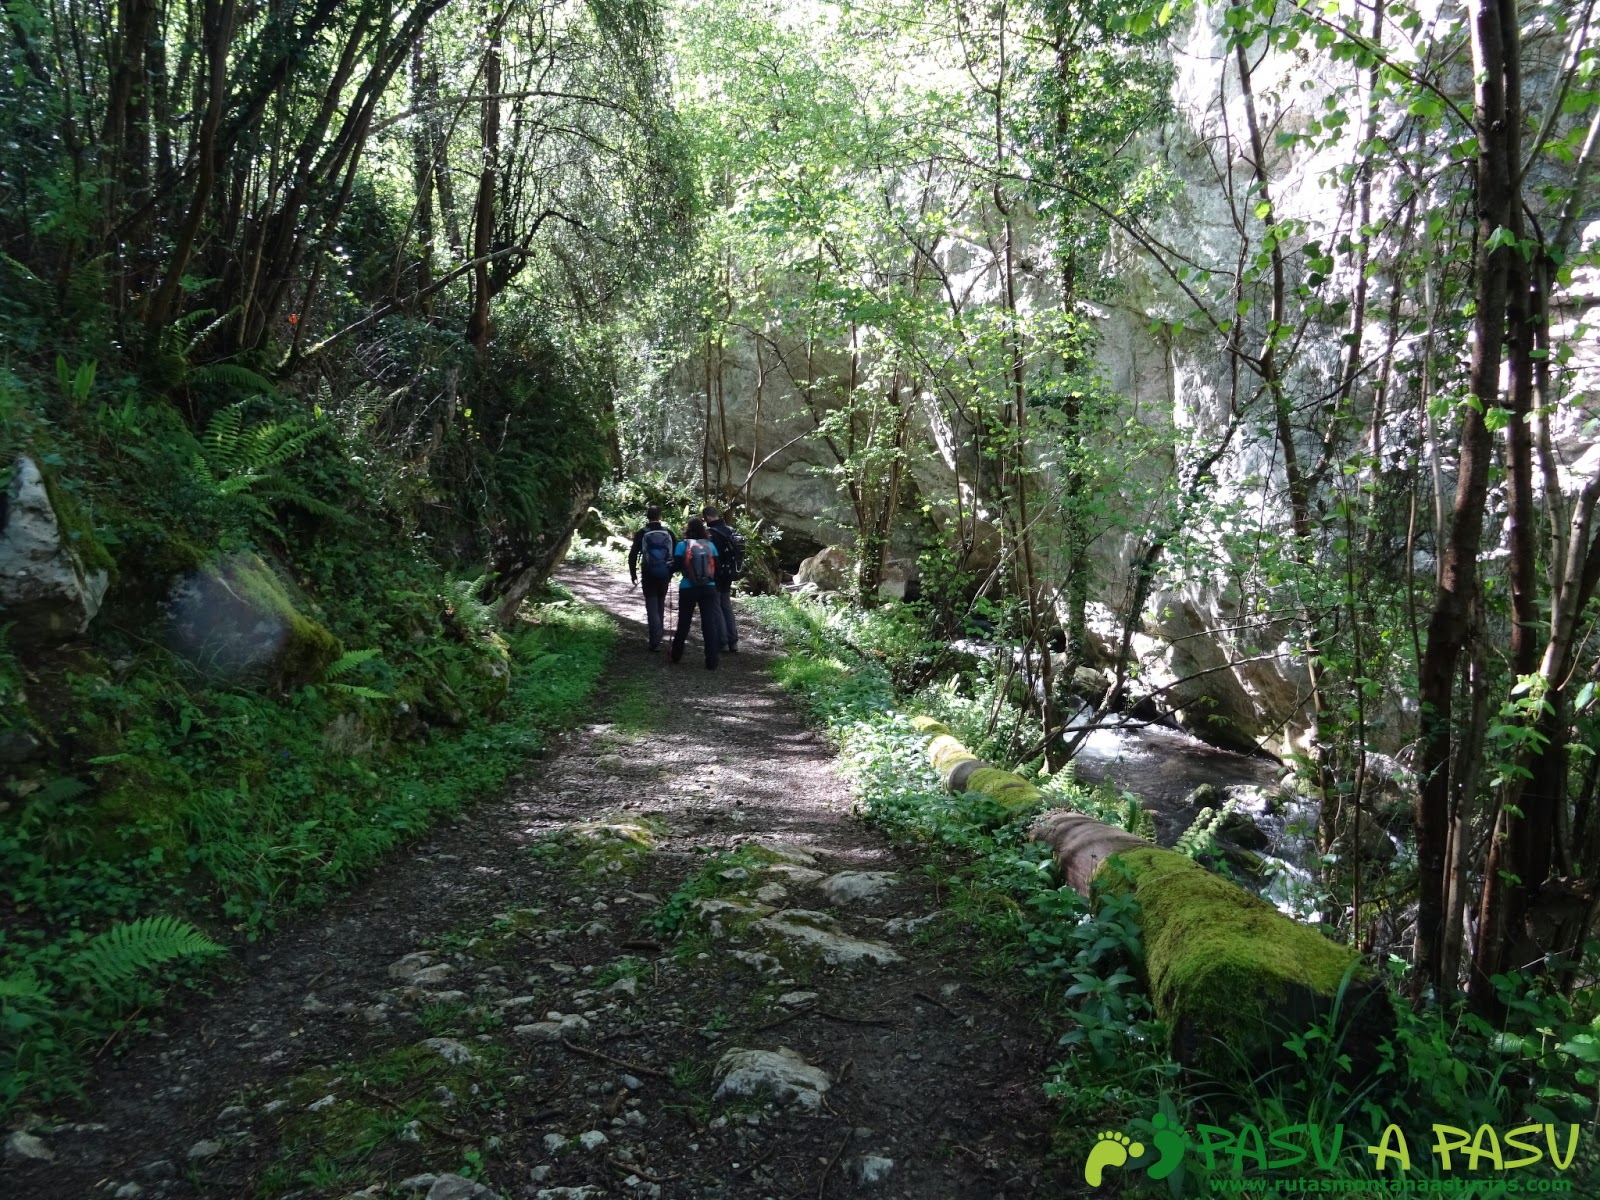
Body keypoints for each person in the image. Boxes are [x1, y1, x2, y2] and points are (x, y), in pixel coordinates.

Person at [670, 518, 723, 669]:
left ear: (688, 529)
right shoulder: (710, 545)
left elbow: (676, 566)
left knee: (684, 622)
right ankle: (712, 661)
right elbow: (717, 567)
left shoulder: (682, 545)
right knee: (709, 623)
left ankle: (676, 655)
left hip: (688, 587)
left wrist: (668, 570)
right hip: (709, 587)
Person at [628, 506, 676, 651]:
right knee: (660, 604)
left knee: (651, 605)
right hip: (664, 574)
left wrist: (633, 574)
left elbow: (633, 554)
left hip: (648, 573)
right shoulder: (668, 533)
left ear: (647, 516)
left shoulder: (642, 533)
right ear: (660, 516)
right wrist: (671, 572)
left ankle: (655, 641)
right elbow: (676, 554)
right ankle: (658, 636)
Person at [701, 505, 744, 654]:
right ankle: (733, 642)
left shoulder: (710, 534)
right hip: (729, 573)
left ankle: (723, 642)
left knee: (716, 606)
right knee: (726, 605)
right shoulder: (730, 530)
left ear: (707, 517)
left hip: (716, 574)